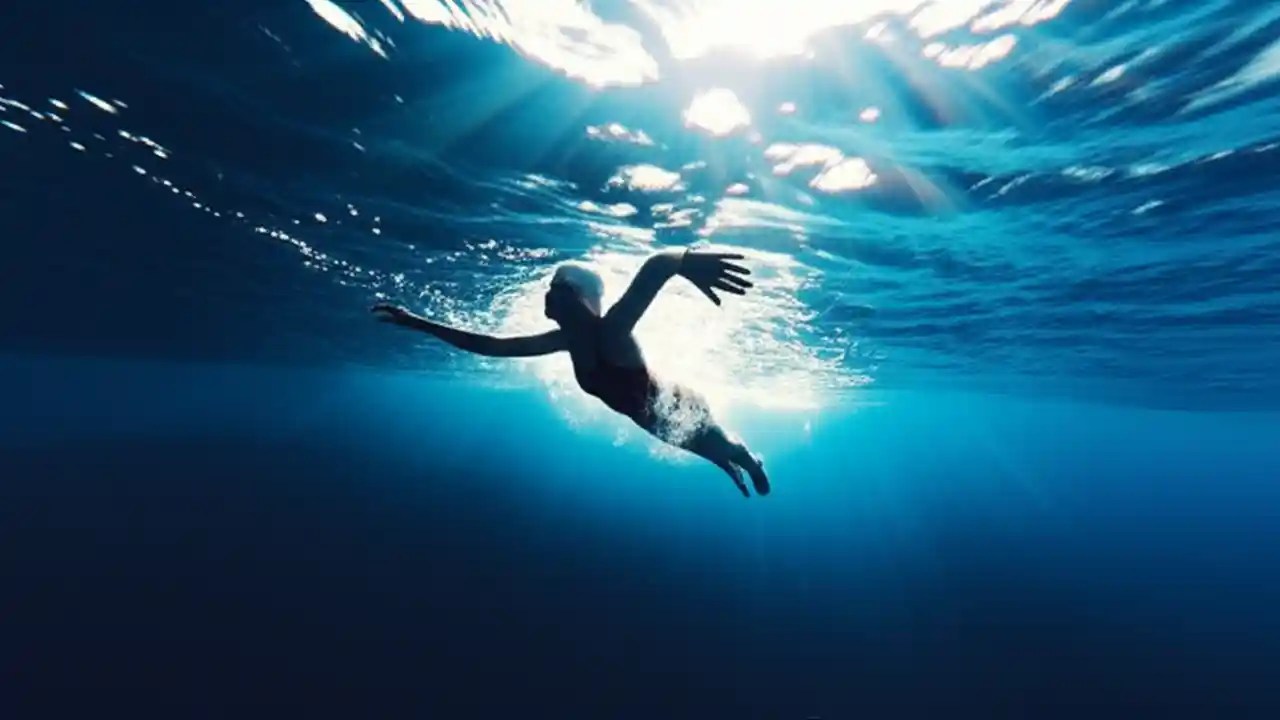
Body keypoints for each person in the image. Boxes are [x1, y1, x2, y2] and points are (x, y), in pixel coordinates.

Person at [371, 247, 771, 497]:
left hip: (680, 403)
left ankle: (749, 461)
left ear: (577, 297)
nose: (549, 293)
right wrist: (418, 323)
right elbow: (489, 346)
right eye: (551, 288)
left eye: (557, 286)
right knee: (705, 452)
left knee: (725, 447)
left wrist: (684, 262)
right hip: (647, 418)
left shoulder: (613, 331)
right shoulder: (560, 341)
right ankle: (725, 461)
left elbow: (653, 269)